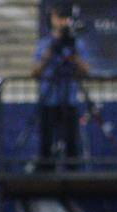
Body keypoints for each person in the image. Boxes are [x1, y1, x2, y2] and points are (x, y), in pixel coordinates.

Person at [31, 9, 90, 165]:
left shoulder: (76, 43)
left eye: (65, 18)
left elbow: (85, 71)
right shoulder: (44, 44)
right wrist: (50, 51)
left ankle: (73, 175)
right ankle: (45, 173)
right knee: (46, 145)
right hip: (48, 100)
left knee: (72, 145)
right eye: (59, 18)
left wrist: (73, 54)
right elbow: (35, 71)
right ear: (52, 20)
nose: (62, 21)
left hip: (69, 100)